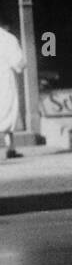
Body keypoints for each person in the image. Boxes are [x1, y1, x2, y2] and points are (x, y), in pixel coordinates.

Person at [0, 15, 25, 159]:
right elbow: (18, 62)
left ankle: (11, 148)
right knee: (6, 112)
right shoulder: (8, 39)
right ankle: (10, 148)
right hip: (4, 80)